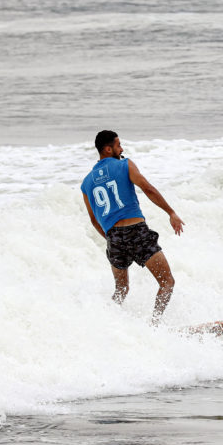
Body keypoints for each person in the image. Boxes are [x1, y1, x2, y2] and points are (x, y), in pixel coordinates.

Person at [81, 130, 184, 324]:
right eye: (118, 145)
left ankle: (105, 322)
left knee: (121, 290)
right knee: (167, 282)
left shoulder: (86, 183)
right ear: (108, 148)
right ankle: (154, 325)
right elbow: (148, 189)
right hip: (137, 232)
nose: (122, 148)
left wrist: (112, 238)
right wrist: (171, 212)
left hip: (113, 238)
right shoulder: (124, 165)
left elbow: (94, 220)